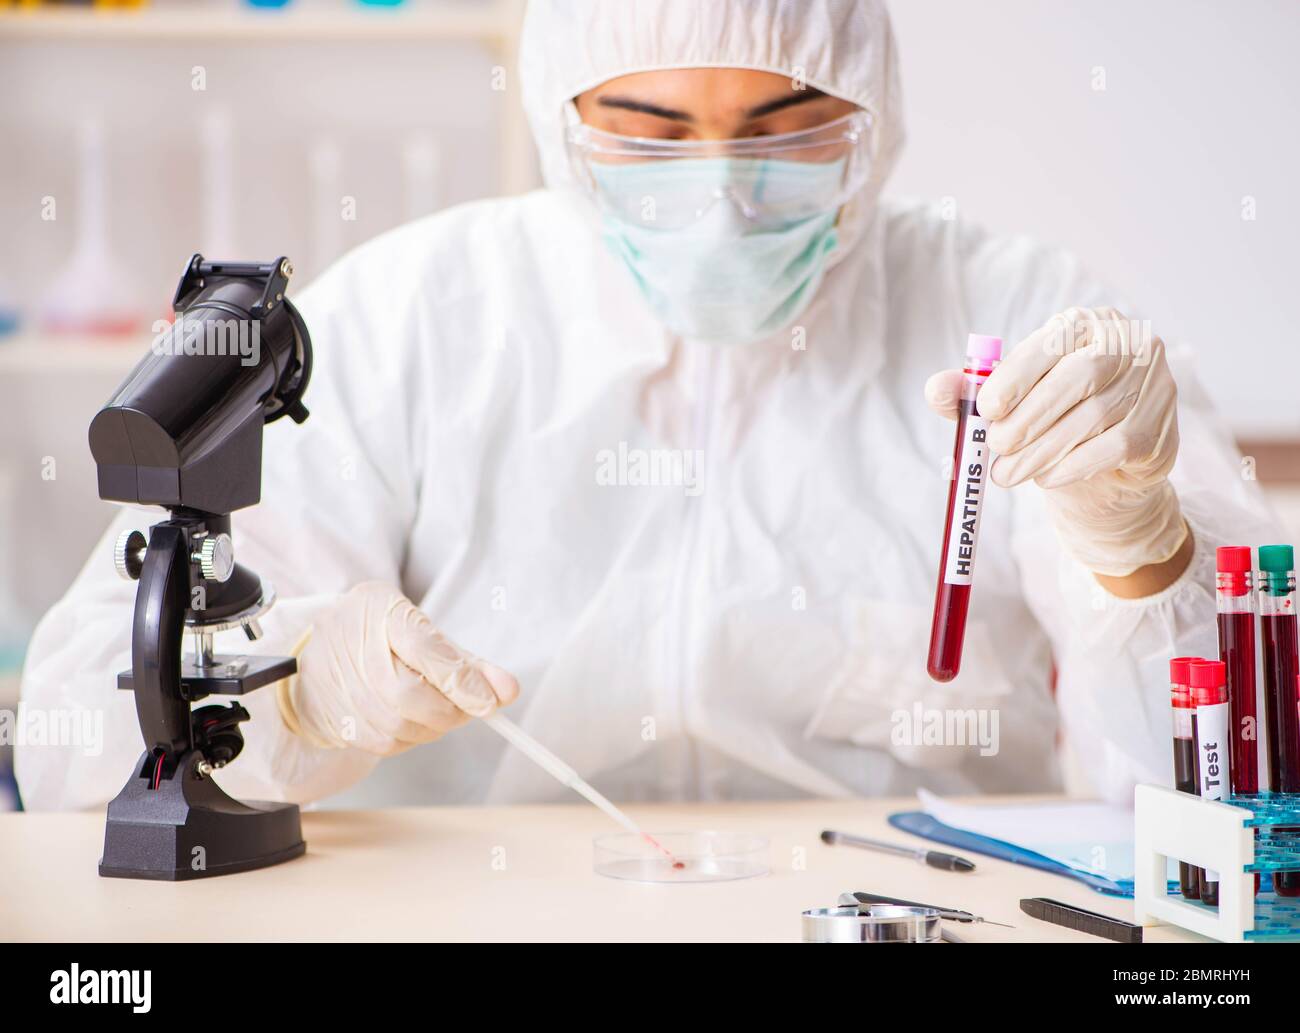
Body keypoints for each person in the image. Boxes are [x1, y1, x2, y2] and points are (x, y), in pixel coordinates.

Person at [17, 0, 1276, 811]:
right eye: (649, 131)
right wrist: (290, 699)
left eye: (788, 130)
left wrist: (1141, 552)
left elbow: (1245, 788)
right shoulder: (419, 312)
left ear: (874, 120)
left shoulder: (1010, 309)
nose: (723, 195)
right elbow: (71, 729)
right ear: (562, 123)